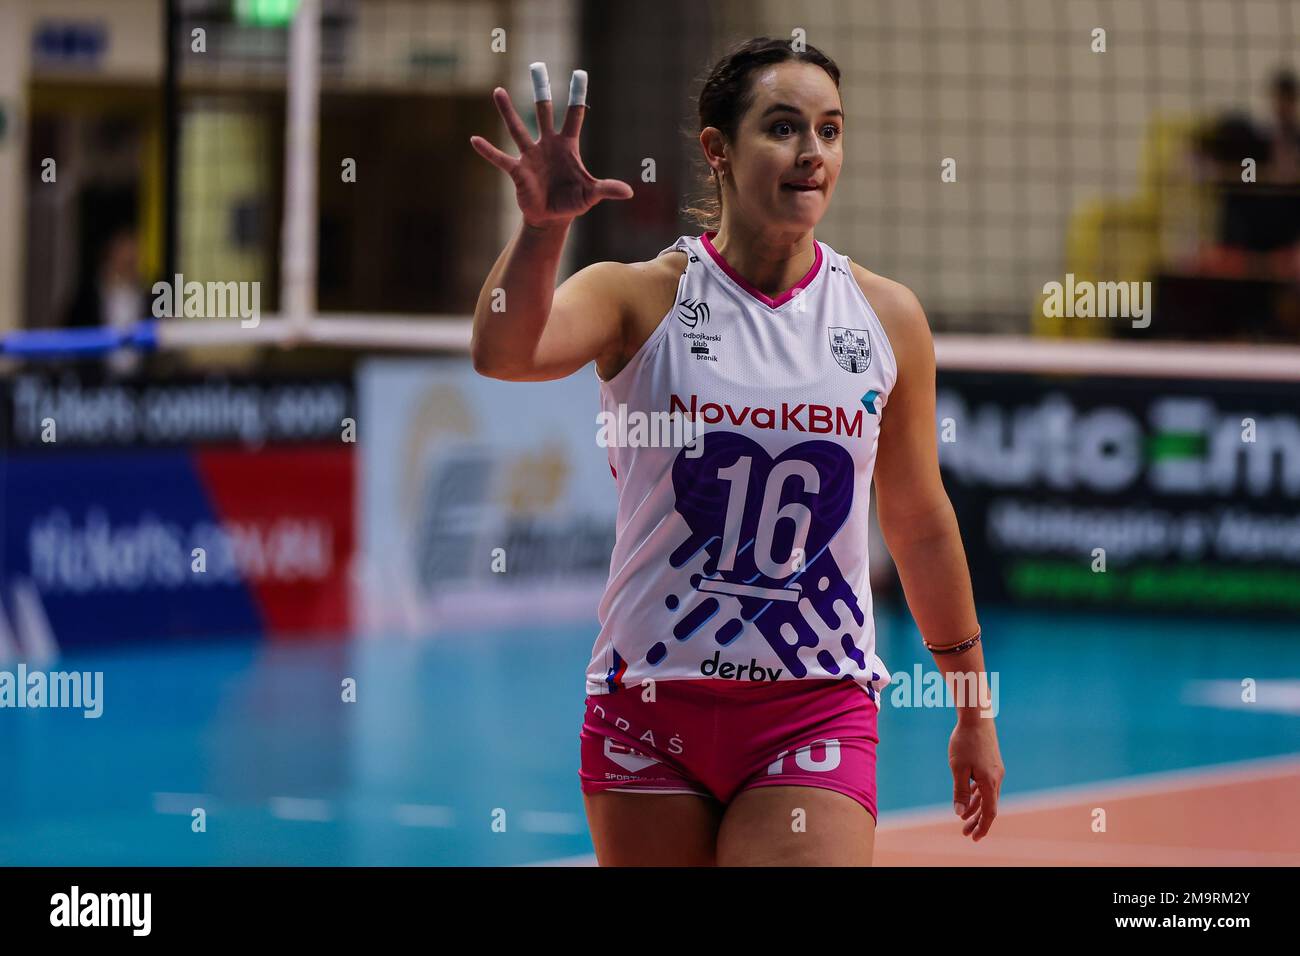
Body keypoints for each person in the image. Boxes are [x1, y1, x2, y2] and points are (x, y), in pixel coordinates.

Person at [469, 37, 1004, 866]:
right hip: (647, 704)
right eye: (784, 128)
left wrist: (973, 710)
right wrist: (540, 232)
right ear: (718, 149)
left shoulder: (887, 318)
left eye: (829, 130)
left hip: (814, 706)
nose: (811, 153)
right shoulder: (639, 295)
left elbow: (919, 520)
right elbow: (504, 352)